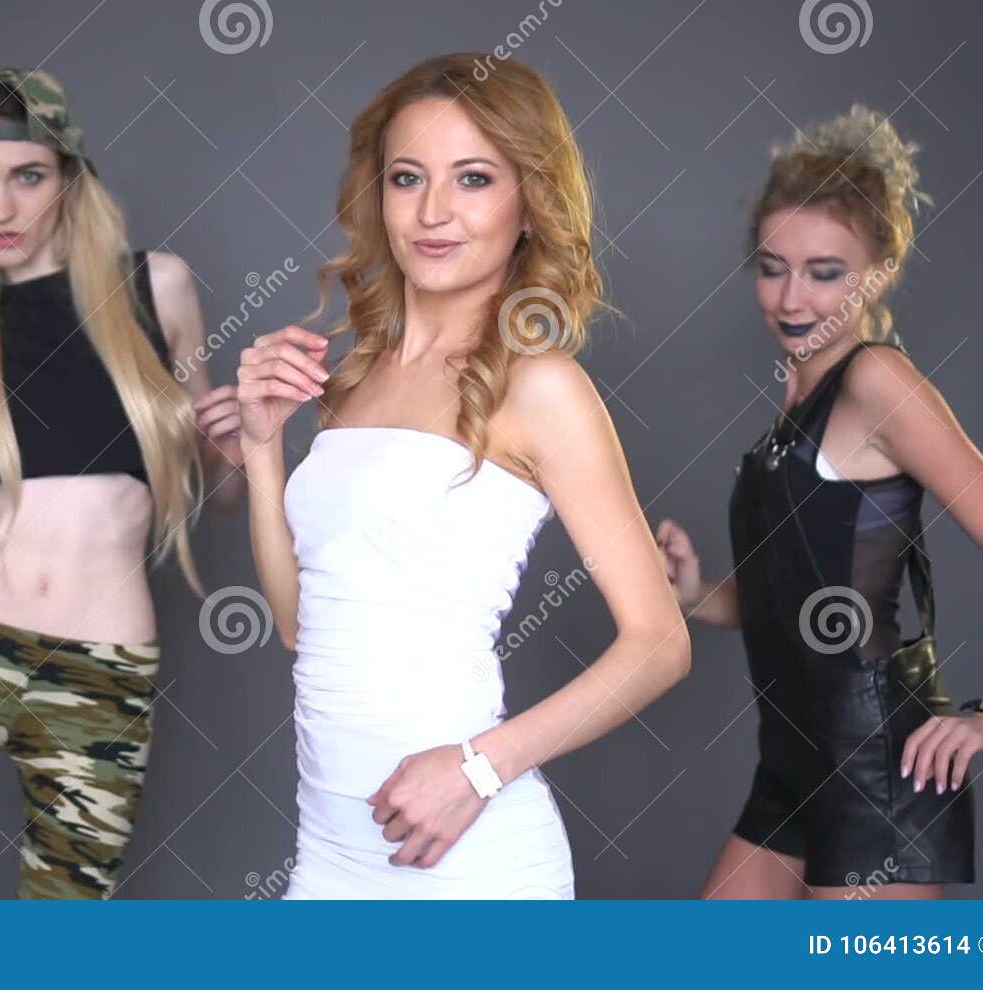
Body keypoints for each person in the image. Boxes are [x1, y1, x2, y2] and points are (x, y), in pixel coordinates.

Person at [236, 53, 690, 898]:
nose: (433, 212)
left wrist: (480, 770)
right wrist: (263, 450)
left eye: (473, 179)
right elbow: (302, 627)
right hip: (331, 859)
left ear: (529, 202)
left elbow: (659, 643)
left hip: (472, 866)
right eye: (407, 178)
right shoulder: (357, 376)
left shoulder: (541, 385)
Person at [0, 66, 245, 898]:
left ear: (69, 177)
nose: (1, 208)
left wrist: (235, 442)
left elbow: (219, 493)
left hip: (101, 663)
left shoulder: (157, 285)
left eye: (28, 176)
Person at [658, 104, 983, 899]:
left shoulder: (877, 382)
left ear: (878, 273)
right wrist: (695, 593)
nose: (791, 297)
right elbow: (795, 599)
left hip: (877, 767)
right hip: (791, 764)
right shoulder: (795, 403)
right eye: (773, 267)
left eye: (825, 272)